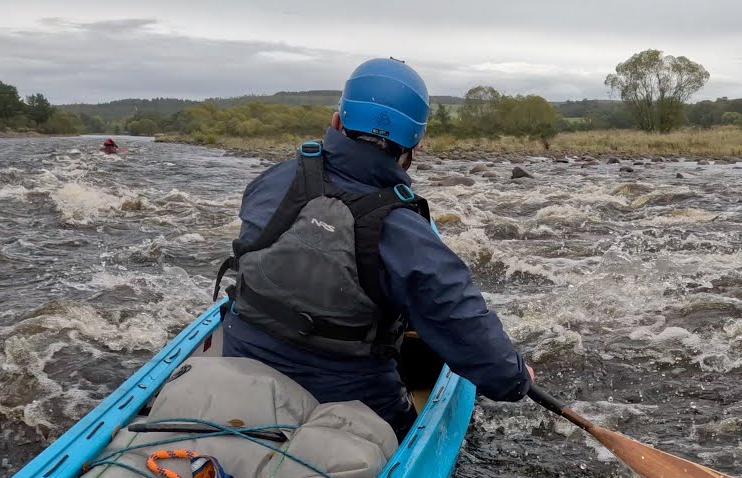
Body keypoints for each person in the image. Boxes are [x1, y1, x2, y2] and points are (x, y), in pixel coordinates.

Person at [214, 57, 533, 438]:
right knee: (399, 418)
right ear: (412, 148)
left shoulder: (273, 181)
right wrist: (515, 377)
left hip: (239, 359)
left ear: (337, 122)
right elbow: (462, 321)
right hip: (348, 396)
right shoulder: (405, 231)